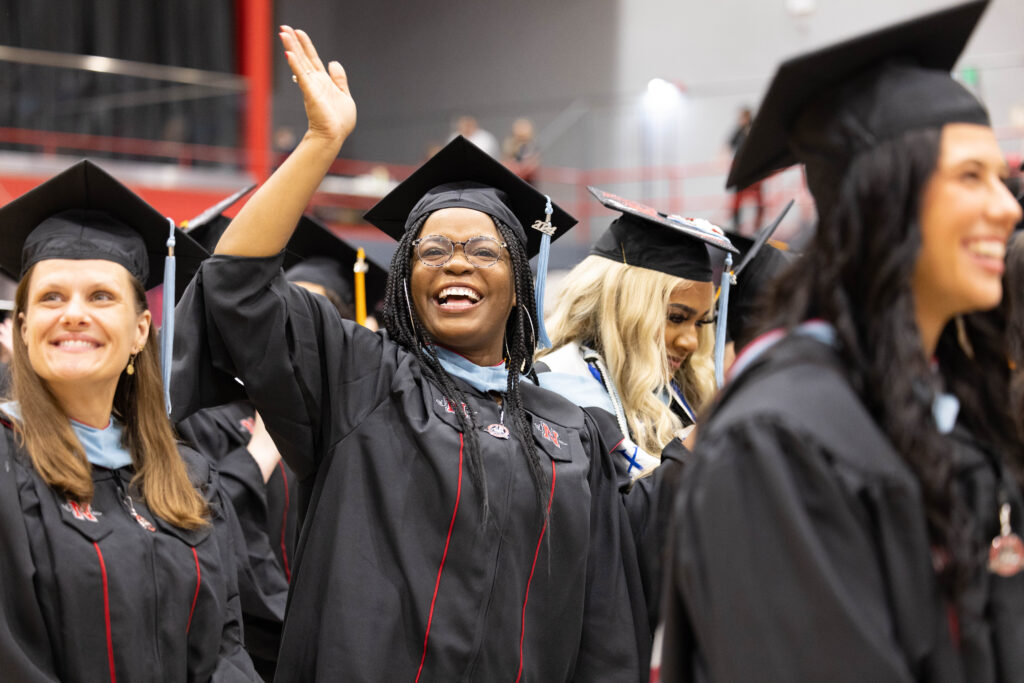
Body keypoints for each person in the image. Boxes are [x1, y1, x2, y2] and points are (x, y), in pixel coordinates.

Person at [171, 26, 650, 682]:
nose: (458, 263)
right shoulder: (358, 380)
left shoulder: (571, 433)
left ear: (519, 285)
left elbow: (606, 631)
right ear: (404, 279)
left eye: (484, 251)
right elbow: (236, 287)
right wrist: (319, 145)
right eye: (431, 250)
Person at [658, 2, 1024, 681]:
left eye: (1002, 179)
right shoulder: (781, 440)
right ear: (884, 199)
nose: (1008, 206)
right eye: (972, 176)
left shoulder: (941, 408)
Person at [0, 159, 258, 681]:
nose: (73, 313)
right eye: (51, 297)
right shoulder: (7, 469)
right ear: (23, 328)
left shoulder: (189, 478)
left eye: (101, 296)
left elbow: (226, 648)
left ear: (141, 329)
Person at [179, 201, 389, 681]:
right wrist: (256, 459)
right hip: (249, 643)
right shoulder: (204, 419)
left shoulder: (353, 420)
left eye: (318, 319)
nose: (296, 334)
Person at [537, 187, 737, 477]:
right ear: (620, 307)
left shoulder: (681, 394)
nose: (691, 341)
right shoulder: (556, 390)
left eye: (701, 322)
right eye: (675, 317)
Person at [726, 106, 764, 232]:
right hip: (740, 169)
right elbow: (728, 145)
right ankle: (736, 227)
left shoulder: (755, 129)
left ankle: (757, 227)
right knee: (737, 200)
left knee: (759, 200)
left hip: (753, 169)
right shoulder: (739, 131)